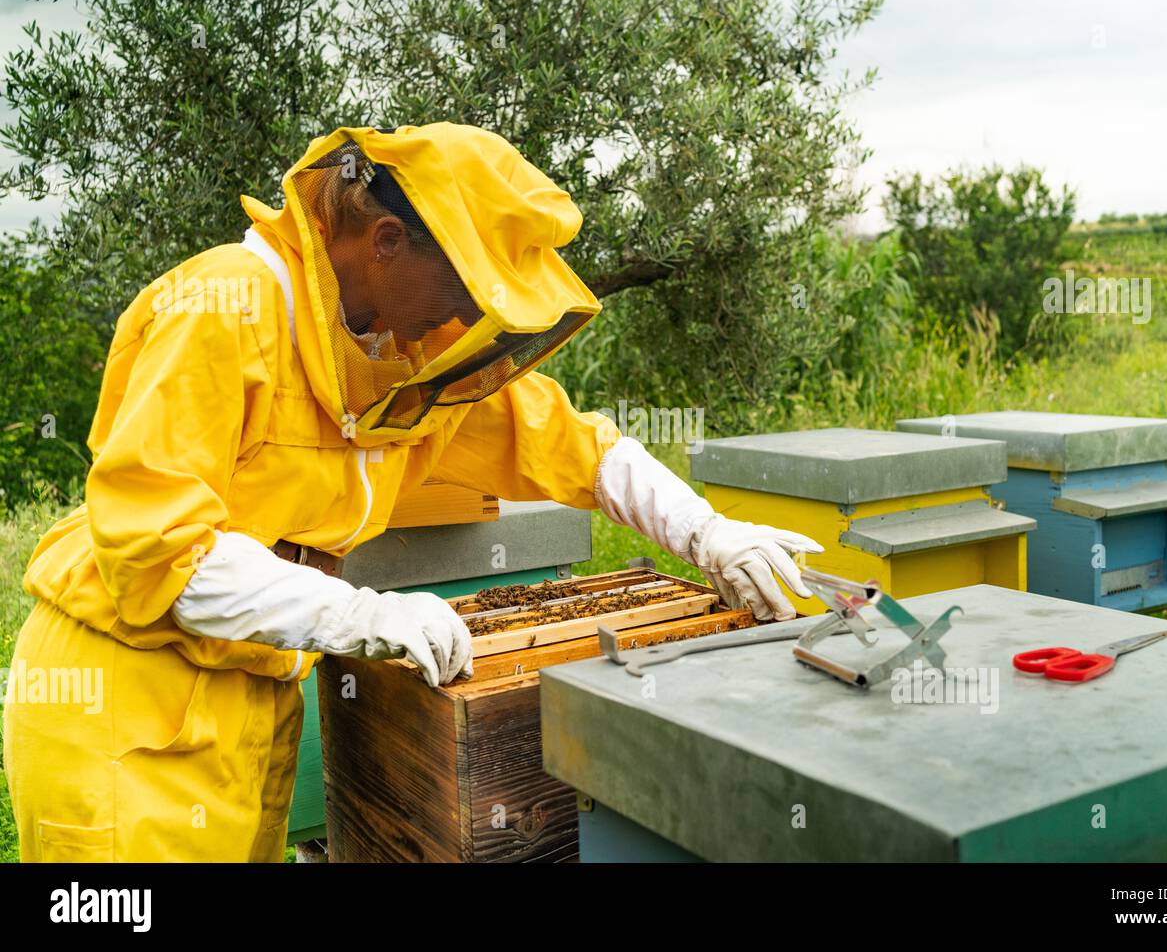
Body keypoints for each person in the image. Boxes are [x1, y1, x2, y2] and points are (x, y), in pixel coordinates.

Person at [2, 124, 821, 862]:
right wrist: (364, 615)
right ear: (388, 241)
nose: (466, 325)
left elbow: (575, 444)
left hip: (254, 702)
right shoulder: (222, 308)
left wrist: (707, 531)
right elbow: (158, 555)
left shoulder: (402, 367)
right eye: (465, 297)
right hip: (126, 710)